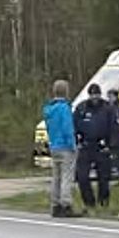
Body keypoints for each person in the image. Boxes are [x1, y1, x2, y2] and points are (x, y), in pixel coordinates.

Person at [74, 83, 116, 208]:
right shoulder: (81, 108)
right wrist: (77, 142)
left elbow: (114, 128)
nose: (95, 98)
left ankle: (103, 203)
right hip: (86, 146)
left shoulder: (107, 108)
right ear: (89, 95)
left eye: (97, 95)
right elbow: (74, 126)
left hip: (102, 146)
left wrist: (110, 145)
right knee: (82, 177)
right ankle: (89, 203)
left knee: (104, 178)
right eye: (92, 95)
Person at [43, 81, 79, 218]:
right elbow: (67, 128)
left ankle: (55, 204)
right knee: (66, 177)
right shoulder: (64, 108)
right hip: (65, 146)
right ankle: (66, 204)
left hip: (54, 145)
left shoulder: (49, 109)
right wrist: (72, 145)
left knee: (56, 177)